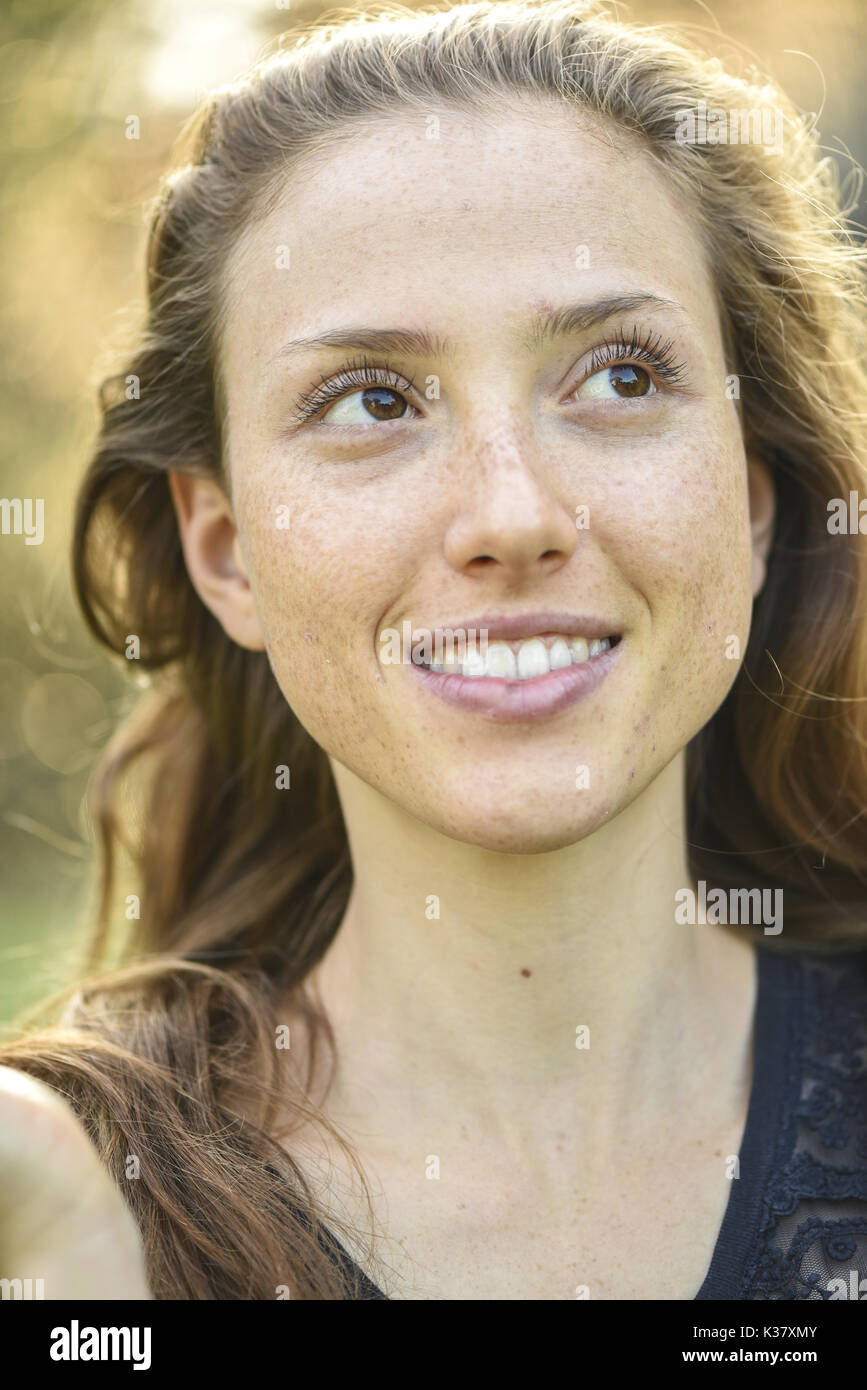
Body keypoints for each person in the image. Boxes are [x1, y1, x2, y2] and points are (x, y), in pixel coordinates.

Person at [2, 0, 867, 1301]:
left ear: (752, 504)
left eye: (621, 378)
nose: (513, 515)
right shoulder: (56, 1208)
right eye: (372, 400)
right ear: (226, 549)